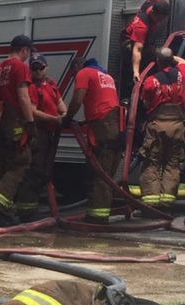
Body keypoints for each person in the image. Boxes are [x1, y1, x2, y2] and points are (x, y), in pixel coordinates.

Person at [0, 34, 37, 226]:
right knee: (20, 163)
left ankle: (0, 212)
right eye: (28, 53)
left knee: (3, 165)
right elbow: (23, 97)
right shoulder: (20, 67)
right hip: (14, 120)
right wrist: (30, 124)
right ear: (24, 50)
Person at [62, 58, 121, 224]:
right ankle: (99, 213)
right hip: (114, 126)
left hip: (102, 128)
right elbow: (103, 102)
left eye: (73, 73)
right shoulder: (105, 75)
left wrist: (67, 118)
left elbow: (77, 100)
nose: (75, 76)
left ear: (76, 67)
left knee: (99, 172)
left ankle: (97, 218)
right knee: (107, 171)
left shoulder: (84, 73)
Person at [14, 54, 66, 221]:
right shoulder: (30, 88)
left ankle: (31, 209)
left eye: (40, 68)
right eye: (34, 68)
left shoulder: (51, 85)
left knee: (44, 172)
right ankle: (26, 212)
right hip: (38, 134)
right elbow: (33, 112)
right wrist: (56, 120)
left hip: (50, 135)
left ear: (46, 68)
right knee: (33, 172)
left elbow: (60, 104)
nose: (37, 72)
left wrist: (65, 115)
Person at [137, 47, 185, 215]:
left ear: (158, 62)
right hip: (178, 126)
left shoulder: (151, 81)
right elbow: (182, 62)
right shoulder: (181, 74)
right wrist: (170, 57)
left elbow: (145, 103)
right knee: (172, 164)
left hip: (157, 126)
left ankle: (151, 206)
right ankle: (166, 204)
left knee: (152, 163)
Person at [120, 0, 171, 102]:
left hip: (146, 41)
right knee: (154, 53)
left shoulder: (153, 3)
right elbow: (137, 50)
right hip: (129, 42)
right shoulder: (141, 26)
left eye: (163, 18)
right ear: (152, 12)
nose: (160, 21)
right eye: (159, 18)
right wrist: (135, 71)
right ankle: (131, 85)